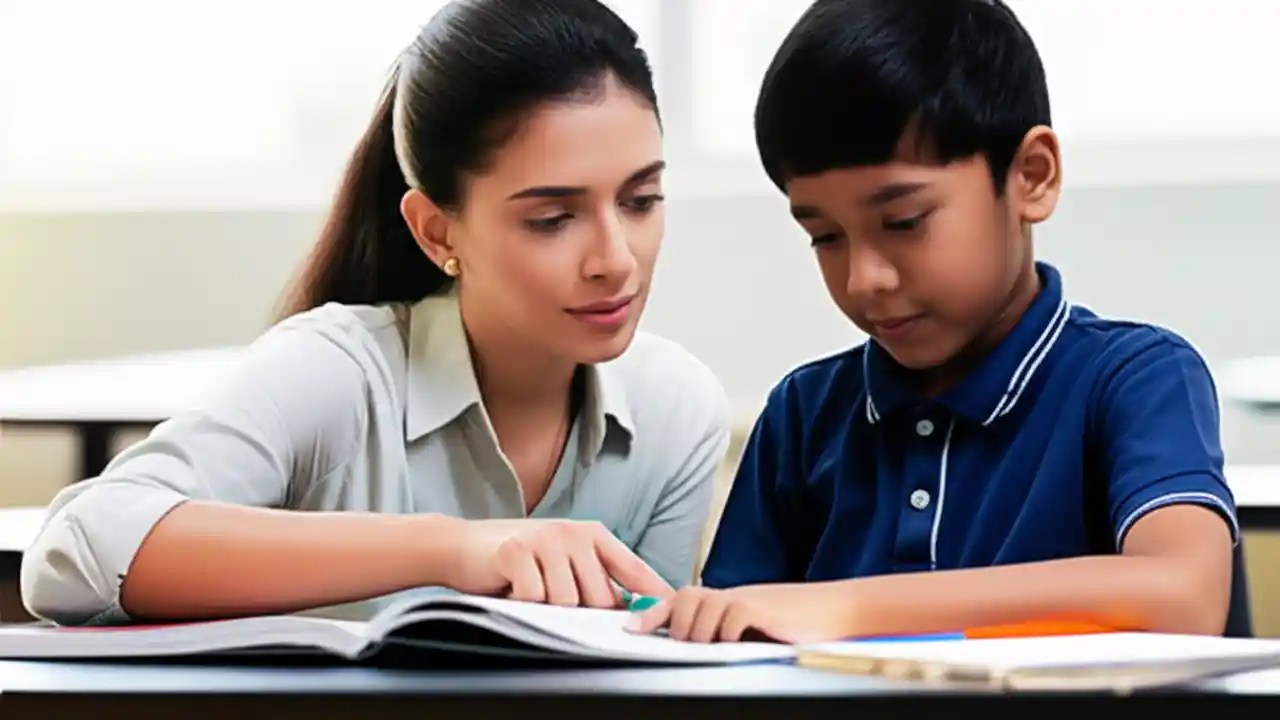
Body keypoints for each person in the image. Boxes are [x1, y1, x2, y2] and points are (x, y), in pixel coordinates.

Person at [21, 0, 731, 626]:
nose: (616, 258)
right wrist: (453, 549)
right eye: (552, 218)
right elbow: (76, 554)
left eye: (641, 202)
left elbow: (648, 667)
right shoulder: (336, 371)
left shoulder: (675, 409)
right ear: (436, 231)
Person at [629, 0, 1238, 644]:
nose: (865, 278)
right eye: (825, 236)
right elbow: (729, 637)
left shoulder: (1134, 380)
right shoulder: (803, 416)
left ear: (1032, 176)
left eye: (904, 222)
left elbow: (1184, 595)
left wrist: (851, 609)